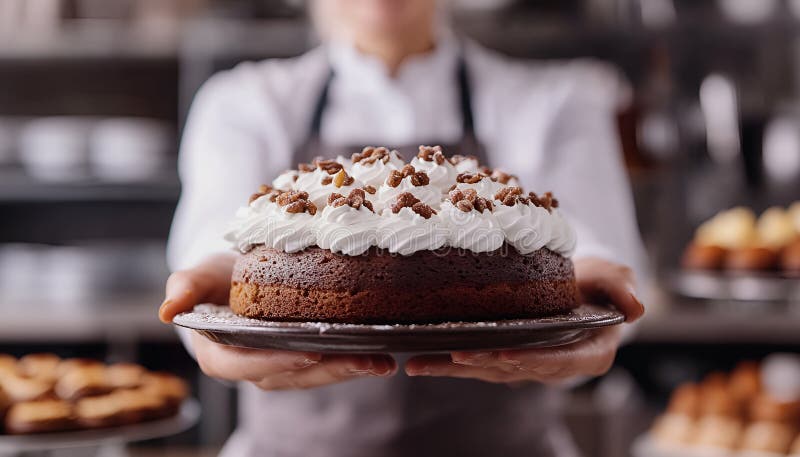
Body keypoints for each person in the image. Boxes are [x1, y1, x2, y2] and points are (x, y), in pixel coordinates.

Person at [159, 1, 648, 456]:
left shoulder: (555, 100)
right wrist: (215, 285)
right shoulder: (244, 102)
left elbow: (585, 246)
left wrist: (595, 290)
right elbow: (218, 239)